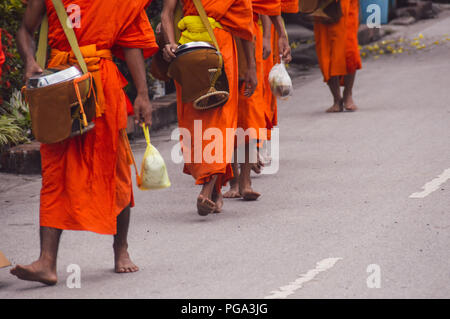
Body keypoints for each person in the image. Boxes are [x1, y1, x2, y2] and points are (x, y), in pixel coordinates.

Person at [10, 0, 158, 285]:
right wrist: (30, 61)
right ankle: (47, 262)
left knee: (113, 167)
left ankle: (121, 249)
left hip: (102, 84)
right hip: (59, 85)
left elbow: (132, 44)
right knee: (54, 171)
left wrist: (142, 93)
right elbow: (24, 30)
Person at [161, 0, 258, 216]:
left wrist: (251, 67)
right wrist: (169, 43)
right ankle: (215, 189)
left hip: (221, 50)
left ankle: (207, 189)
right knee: (194, 124)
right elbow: (166, 13)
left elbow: (244, 24)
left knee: (220, 120)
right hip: (188, 53)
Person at [223, 0, 291, 200]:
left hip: (248, 38)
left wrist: (276, 35)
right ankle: (233, 179)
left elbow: (266, 4)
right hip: (217, 38)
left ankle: (245, 180)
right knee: (225, 111)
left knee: (248, 110)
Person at [314, 0, 362, 112]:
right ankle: (336, 99)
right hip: (322, 6)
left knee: (350, 51)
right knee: (326, 53)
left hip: (347, 7)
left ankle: (348, 94)